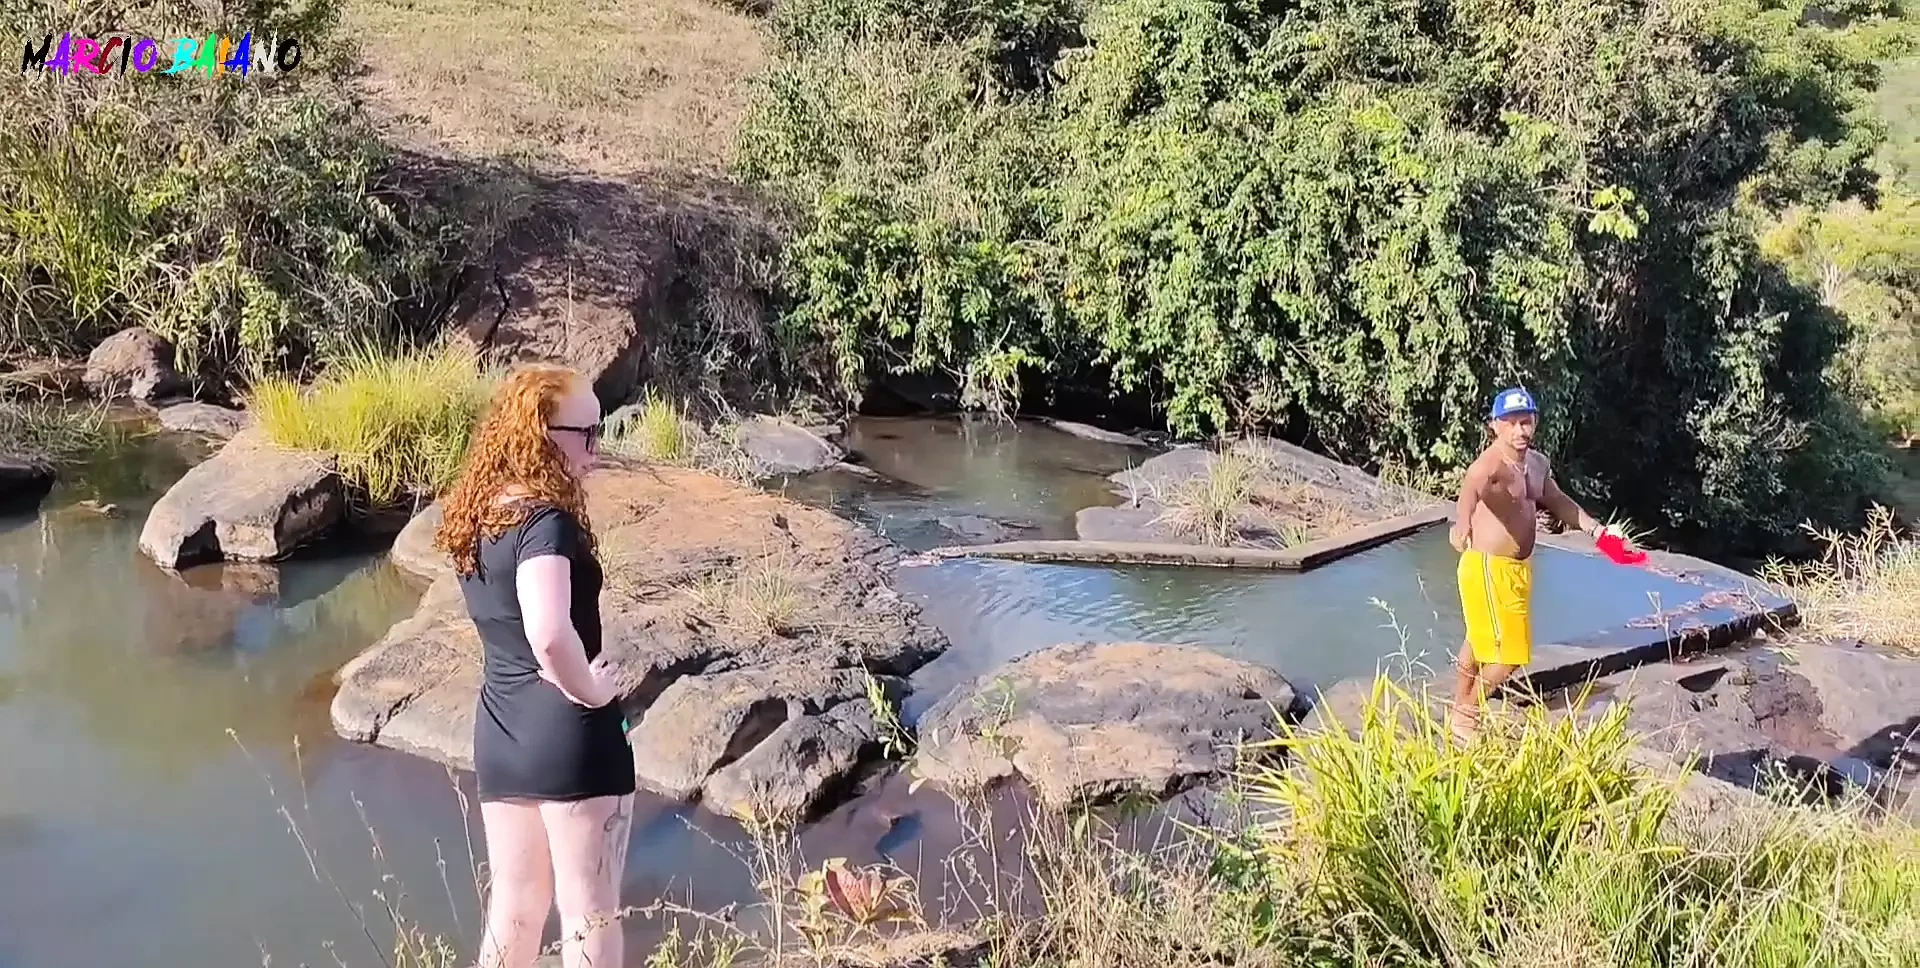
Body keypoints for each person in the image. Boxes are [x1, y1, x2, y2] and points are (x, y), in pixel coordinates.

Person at [434, 363, 634, 968]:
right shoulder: (546, 521)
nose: (597, 449)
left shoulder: (480, 515)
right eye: (587, 434)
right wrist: (591, 691)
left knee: (516, 911)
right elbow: (547, 631)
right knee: (591, 913)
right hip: (569, 735)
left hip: (502, 732)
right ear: (542, 433)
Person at [1446, 386, 1620, 743]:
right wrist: (1461, 525)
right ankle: (1467, 714)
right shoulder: (1490, 464)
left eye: (1525, 422)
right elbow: (1469, 491)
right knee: (1512, 654)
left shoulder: (1537, 465)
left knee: (1477, 642)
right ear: (1495, 425)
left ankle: (1458, 710)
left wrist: (1595, 530)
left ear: (1535, 422)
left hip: (1516, 570)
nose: (1520, 430)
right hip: (1487, 567)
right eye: (1511, 423)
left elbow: (1556, 499)